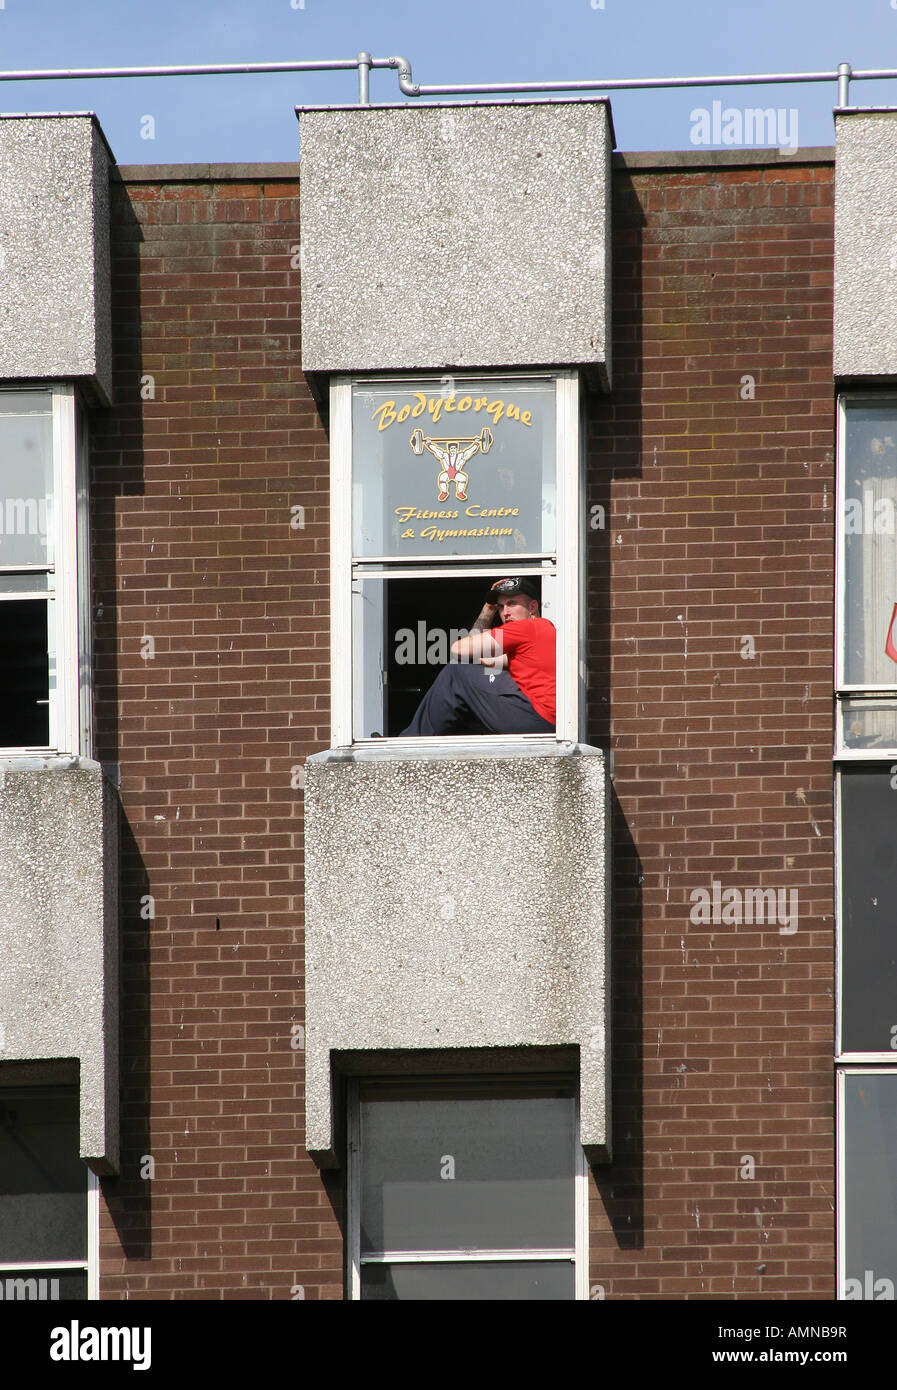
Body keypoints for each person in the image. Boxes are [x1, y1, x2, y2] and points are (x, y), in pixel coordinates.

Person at [399, 577, 556, 736]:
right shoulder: (539, 635)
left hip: (535, 716)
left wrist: (487, 614)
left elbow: (458, 649)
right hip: (545, 723)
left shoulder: (528, 627)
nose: (505, 612)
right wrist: (489, 608)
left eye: (512, 604)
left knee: (457, 671)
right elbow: (483, 657)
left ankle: (410, 741)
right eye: (500, 607)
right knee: (473, 682)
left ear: (532, 607)